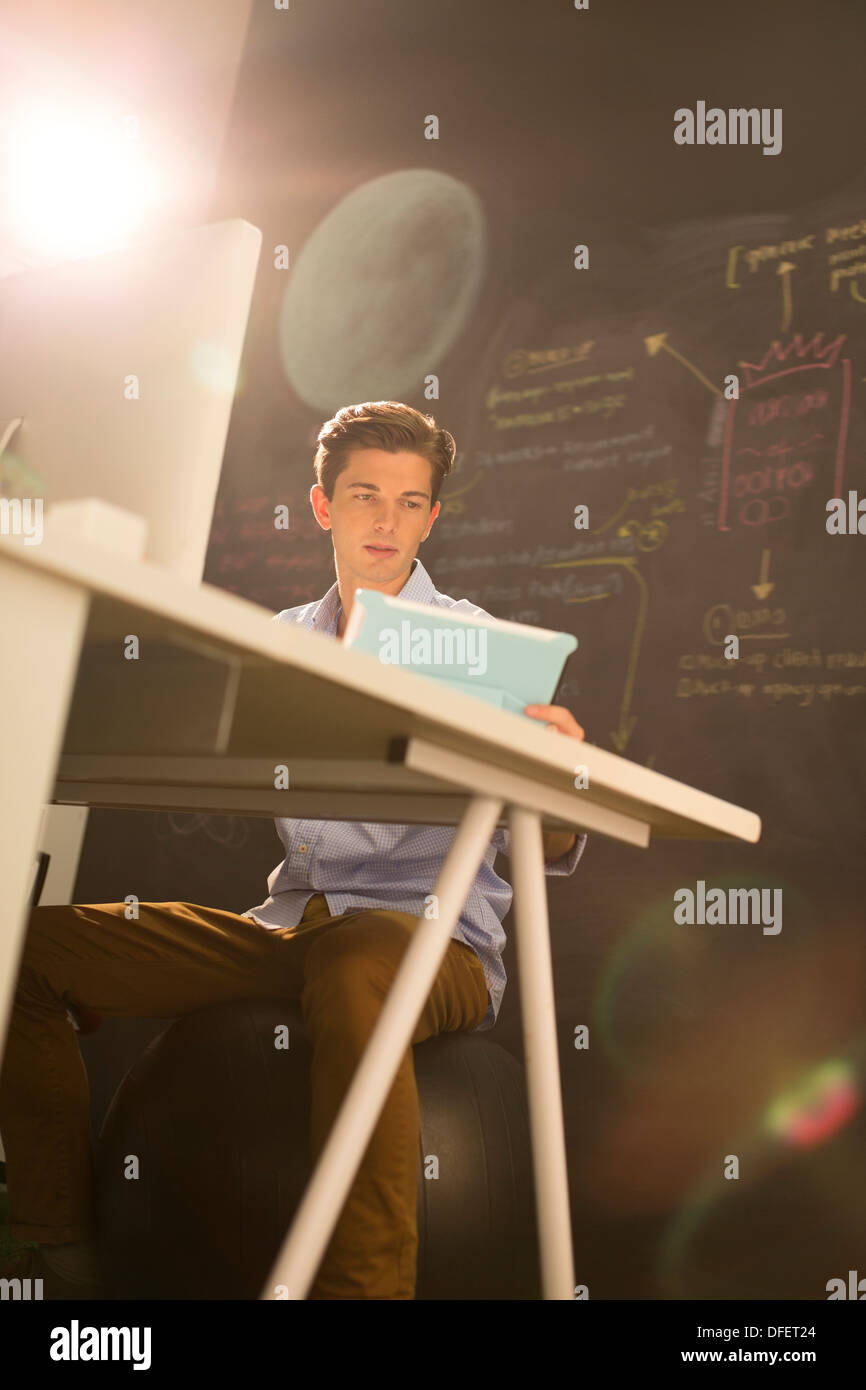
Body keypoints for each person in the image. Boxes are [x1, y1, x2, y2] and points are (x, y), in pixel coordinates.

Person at [0, 400, 588, 1300]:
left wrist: (564, 781)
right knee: (30, 947)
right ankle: (60, 1248)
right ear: (322, 506)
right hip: (286, 930)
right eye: (364, 496)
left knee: (354, 961)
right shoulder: (274, 644)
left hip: (430, 947)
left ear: (432, 516)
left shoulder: (477, 650)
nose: (386, 520)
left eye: (410, 501)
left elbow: (548, 834)